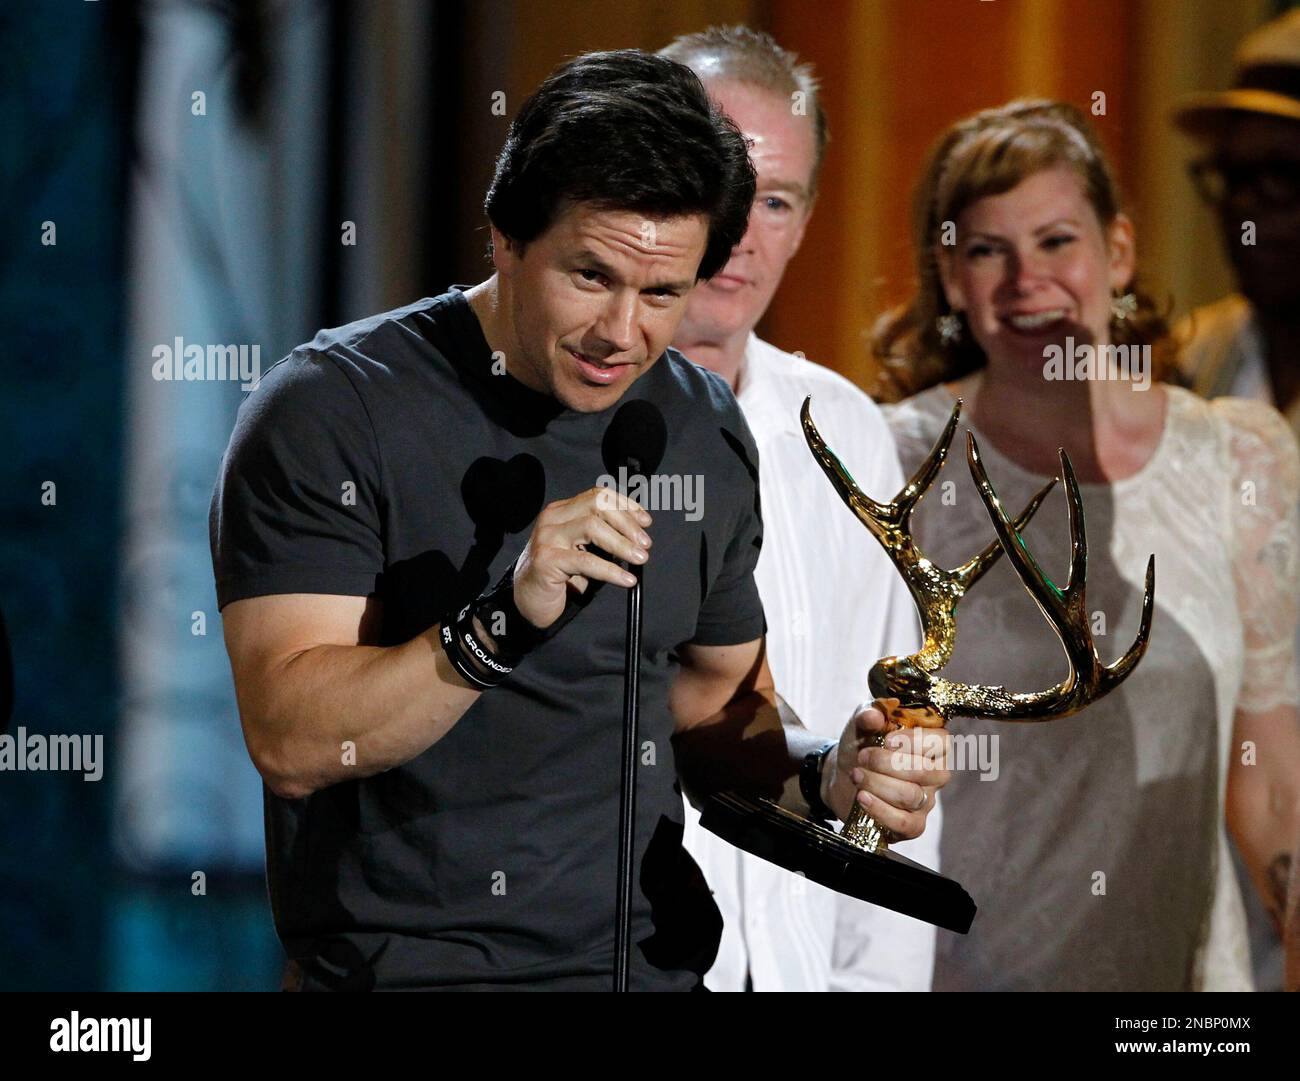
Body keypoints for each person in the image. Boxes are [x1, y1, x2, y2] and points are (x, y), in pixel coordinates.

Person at [209, 49, 948, 992]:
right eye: (591, 276)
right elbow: (293, 739)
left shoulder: (693, 420)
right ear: (505, 239)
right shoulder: (330, 409)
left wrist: (830, 771)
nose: (622, 333)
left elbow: (719, 707)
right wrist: (497, 623)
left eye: (663, 294)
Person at [873, 99, 1300, 991]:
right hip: (957, 972)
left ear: (1121, 252)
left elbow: (1267, 782)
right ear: (951, 276)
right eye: (987, 251)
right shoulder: (893, 460)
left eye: (1057, 241)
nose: (1027, 279)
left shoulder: (1237, 456)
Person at [658, 26, 937, 992]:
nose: (740, 233)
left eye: (773, 200)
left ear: (808, 220)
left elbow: (894, 719)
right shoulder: (553, 422)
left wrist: (880, 981)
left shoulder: (847, 430)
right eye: (716, 185)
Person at [1173, 8, 1300, 990]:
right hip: (1208, 840)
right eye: (1231, 180)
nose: (1247, 209)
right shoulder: (1192, 359)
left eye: (1282, 178)